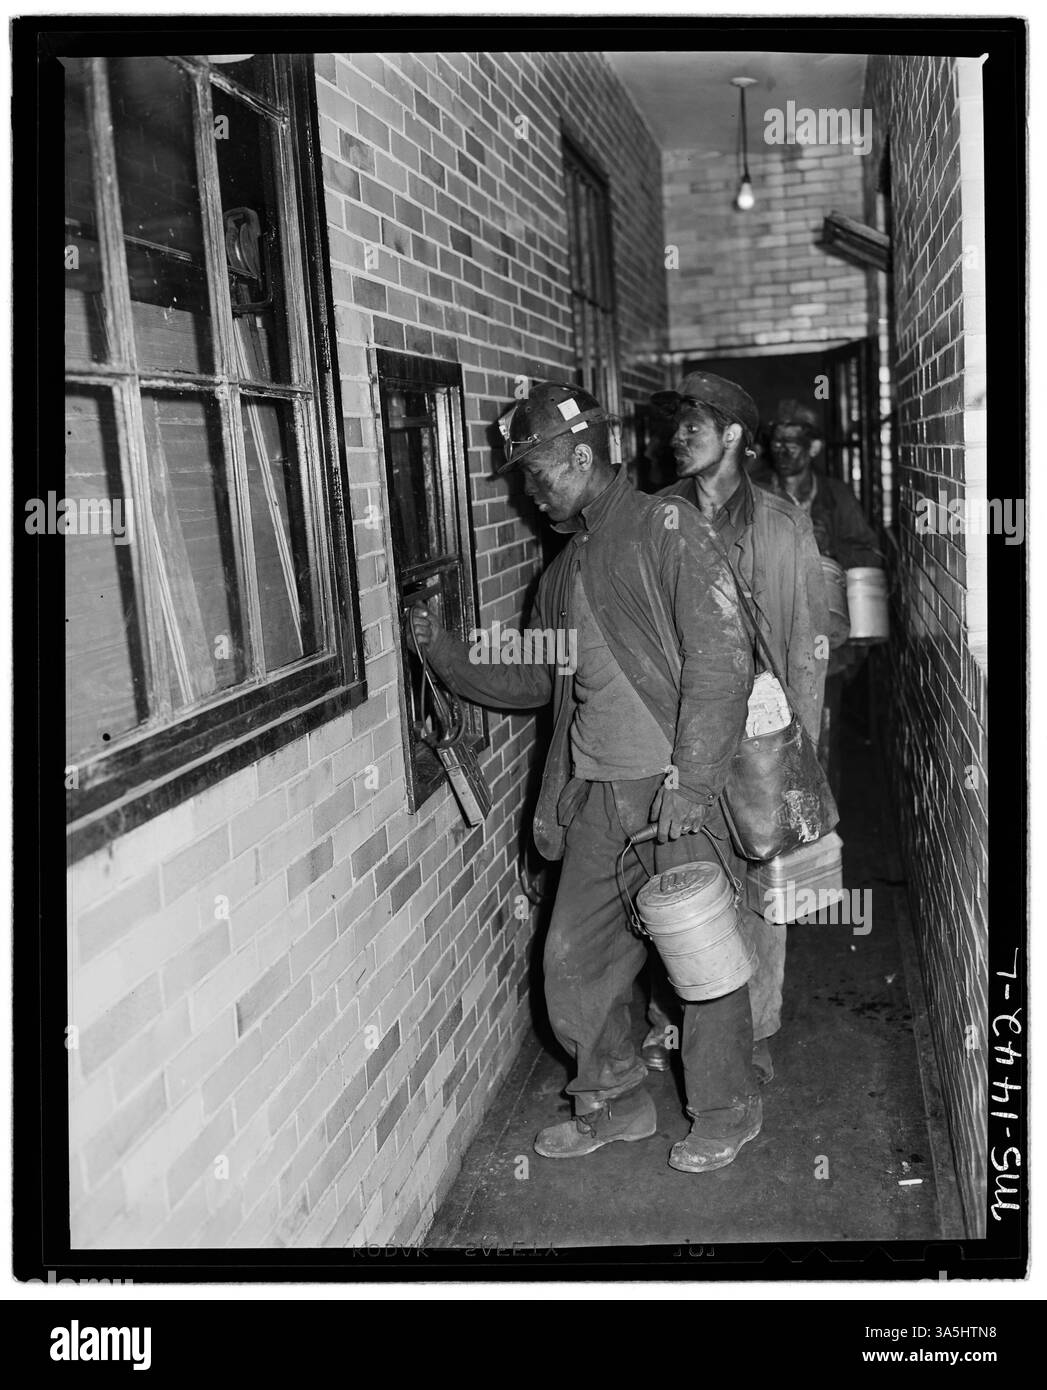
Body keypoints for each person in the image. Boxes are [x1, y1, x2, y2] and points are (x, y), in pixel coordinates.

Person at [410, 381, 760, 1173]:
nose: (530, 495)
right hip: (601, 797)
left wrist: (694, 783)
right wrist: (441, 651)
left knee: (700, 963)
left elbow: (720, 659)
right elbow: (538, 681)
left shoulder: (665, 529)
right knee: (570, 962)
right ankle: (617, 1102)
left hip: (677, 795)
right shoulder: (564, 571)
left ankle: (726, 1110)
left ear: (579, 455)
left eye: (537, 475)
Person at [642, 372, 831, 1084]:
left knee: (761, 881)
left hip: (759, 732)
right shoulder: (653, 516)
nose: (675, 439)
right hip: (679, 732)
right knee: (675, 879)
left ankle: (753, 1029)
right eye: (675, 427)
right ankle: (678, 1028)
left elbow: (807, 644)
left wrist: (802, 755)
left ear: (732, 437)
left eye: (691, 427)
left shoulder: (782, 524)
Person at [755, 400, 883, 799]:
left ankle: (823, 832)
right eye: (776, 441)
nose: (782, 449)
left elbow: (868, 554)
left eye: (793, 442)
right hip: (769, 638)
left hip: (825, 643)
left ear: (813, 448)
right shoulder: (754, 493)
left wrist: (831, 549)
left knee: (821, 739)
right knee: (768, 741)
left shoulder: (835, 496)